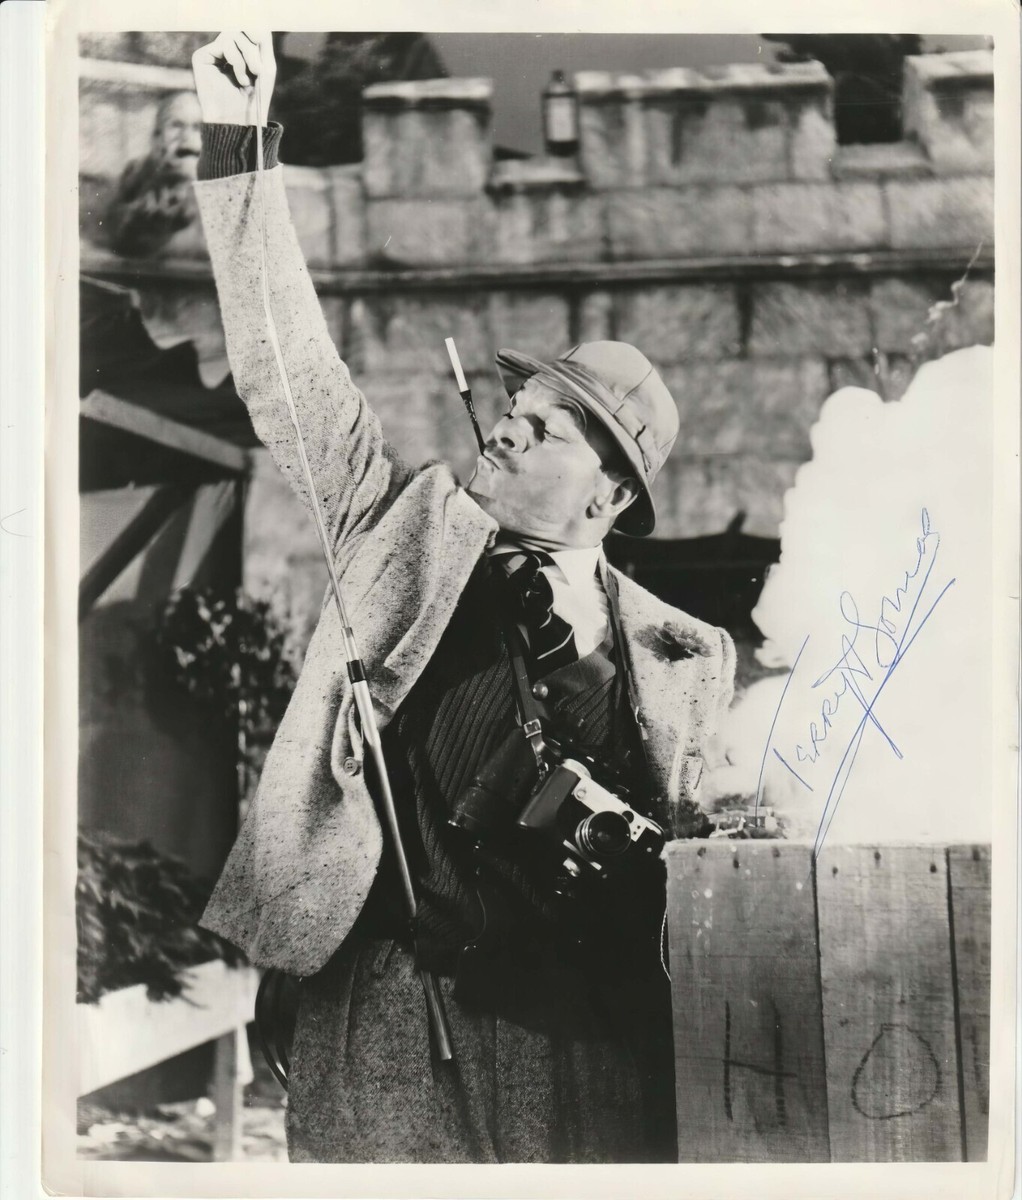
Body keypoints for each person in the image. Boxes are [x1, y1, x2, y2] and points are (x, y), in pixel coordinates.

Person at [190, 31, 735, 1164]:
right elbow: (288, 374)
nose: (506, 430)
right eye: (513, 411)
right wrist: (239, 145)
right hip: (390, 1017)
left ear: (608, 496)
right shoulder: (393, 527)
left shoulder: (688, 657)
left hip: (591, 1049)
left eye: (546, 429)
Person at [107, 90, 202, 257]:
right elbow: (115, 234)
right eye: (176, 125)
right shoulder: (138, 172)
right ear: (157, 136)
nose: (186, 136)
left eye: (197, 127)